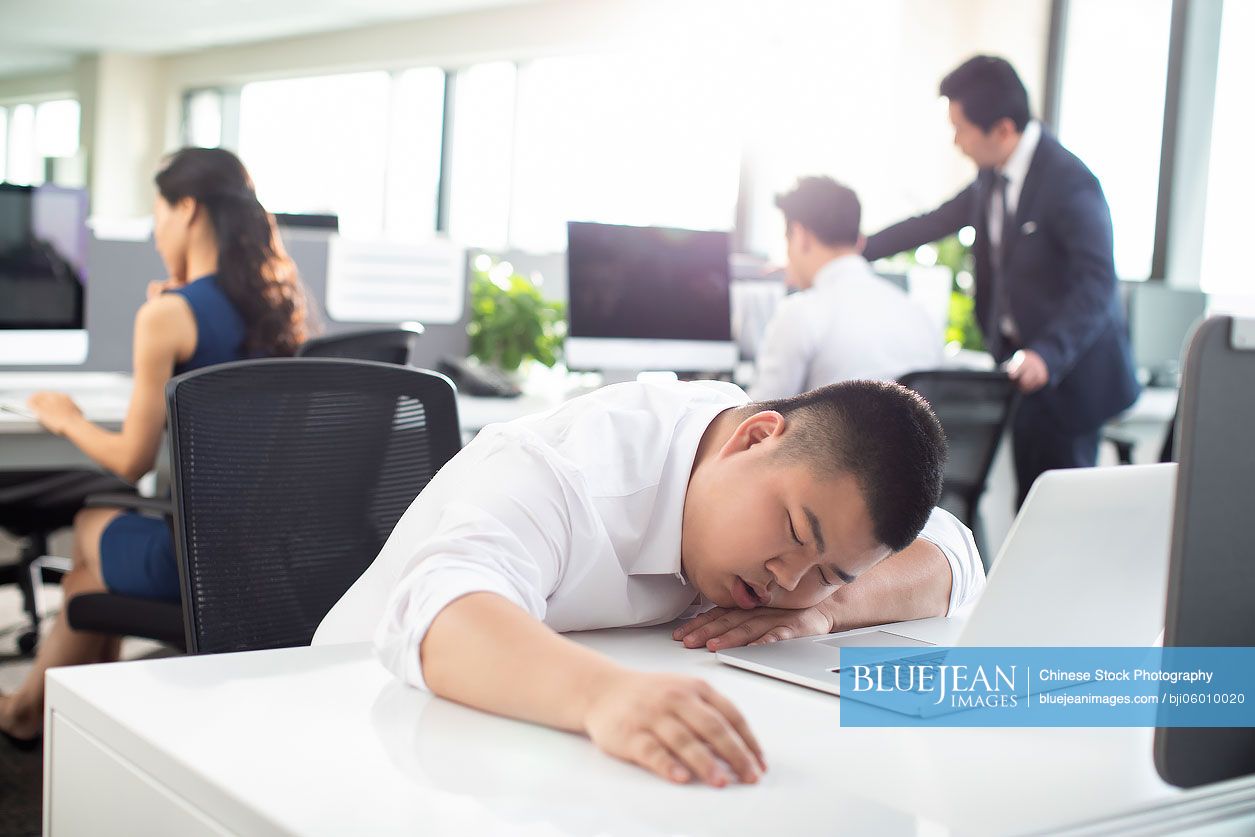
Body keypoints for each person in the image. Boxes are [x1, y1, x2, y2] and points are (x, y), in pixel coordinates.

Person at [315, 377, 984, 787]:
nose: (786, 577)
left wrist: (829, 607)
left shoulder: (782, 507)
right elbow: (437, 612)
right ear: (753, 438)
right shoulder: (564, 469)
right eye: (793, 532)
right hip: (356, 729)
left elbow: (955, 554)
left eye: (825, 570)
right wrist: (603, 696)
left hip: (542, 753)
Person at [0, 147, 312, 747]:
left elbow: (131, 460)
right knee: (86, 582)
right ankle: (52, 718)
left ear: (188, 209)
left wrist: (63, 417)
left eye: (159, 214)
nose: (155, 230)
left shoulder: (169, 314)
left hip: (196, 564)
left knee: (95, 513)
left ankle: (36, 714)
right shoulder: (273, 305)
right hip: (264, 555)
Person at [863, 55, 1139, 506]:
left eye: (962, 129)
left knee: (1056, 513)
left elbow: (1097, 283)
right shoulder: (991, 177)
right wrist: (854, 249)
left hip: (1068, 375)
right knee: (1029, 504)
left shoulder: (1070, 183)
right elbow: (931, 223)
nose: (956, 141)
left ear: (1003, 129)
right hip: (1022, 373)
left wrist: (1047, 354)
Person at [750, 177, 942, 400]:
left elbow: (756, 419)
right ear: (859, 242)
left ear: (800, 235)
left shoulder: (800, 313)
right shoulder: (918, 315)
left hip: (834, 436)